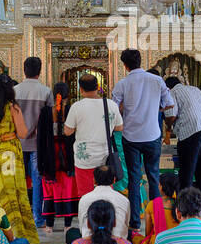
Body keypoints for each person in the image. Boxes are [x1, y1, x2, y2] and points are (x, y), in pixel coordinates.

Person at [111, 49, 175, 232]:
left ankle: (135, 224)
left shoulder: (123, 83)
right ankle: (157, 224)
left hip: (130, 137)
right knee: (154, 178)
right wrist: (153, 108)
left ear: (125, 65)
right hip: (153, 135)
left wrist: (127, 109)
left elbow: (114, 110)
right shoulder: (156, 80)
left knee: (133, 179)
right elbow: (169, 104)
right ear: (140, 61)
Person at [0, 74, 38, 242]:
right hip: (8, 154)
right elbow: (23, 133)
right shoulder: (12, 107)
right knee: (10, 193)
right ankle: (13, 233)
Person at [63, 73, 123, 200]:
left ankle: (88, 219)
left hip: (85, 159)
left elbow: (68, 131)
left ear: (81, 89)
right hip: (106, 158)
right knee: (106, 196)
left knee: (86, 196)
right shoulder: (111, 104)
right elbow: (119, 127)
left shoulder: (76, 107)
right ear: (98, 87)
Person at [164, 75, 201, 200]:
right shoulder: (195, 89)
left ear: (167, 87)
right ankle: (200, 207)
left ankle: (185, 207)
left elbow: (171, 115)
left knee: (187, 173)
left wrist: (168, 127)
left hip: (191, 133)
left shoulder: (172, 92)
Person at [15, 56, 53, 230]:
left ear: (24, 70)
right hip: (38, 143)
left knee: (18, 180)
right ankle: (38, 218)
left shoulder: (14, 91)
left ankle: (20, 217)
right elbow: (49, 121)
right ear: (40, 71)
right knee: (38, 180)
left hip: (17, 142)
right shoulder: (45, 91)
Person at [36, 81, 79, 231]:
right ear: (68, 96)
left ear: (54, 95)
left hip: (50, 154)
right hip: (68, 155)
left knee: (50, 188)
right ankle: (67, 225)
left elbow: (40, 138)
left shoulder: (46, 111)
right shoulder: (71, 110)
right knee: (68, 187)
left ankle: (49, 225)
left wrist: (40, 162)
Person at [77, 164, 131, 243]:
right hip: (118, 243)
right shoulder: (123, 200)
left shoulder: (84, 199)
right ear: (114, 180)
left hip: (90, 243)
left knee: (71, 233)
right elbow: (126, 223)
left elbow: (82, 227)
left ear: (94, 180)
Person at [138, 171, 179, 244]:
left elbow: (148, 232)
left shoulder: (152, 204)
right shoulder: (182, 204)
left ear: (161, 187)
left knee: (136, 240)